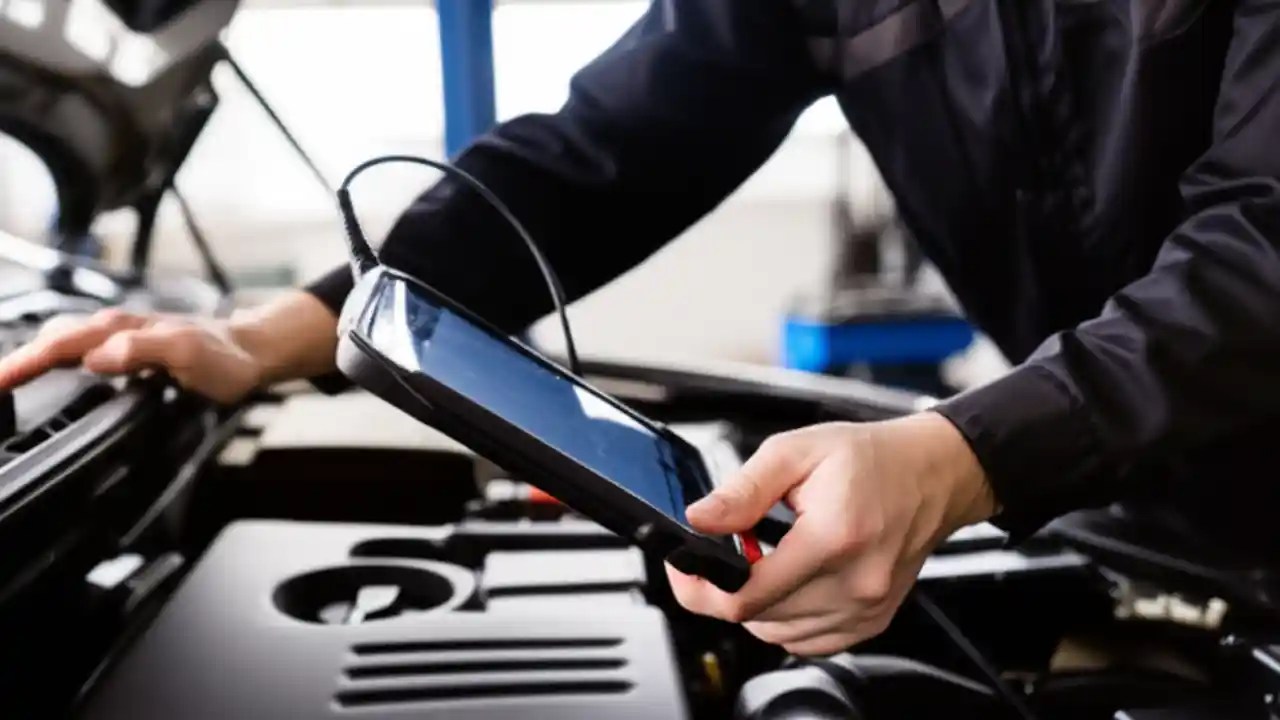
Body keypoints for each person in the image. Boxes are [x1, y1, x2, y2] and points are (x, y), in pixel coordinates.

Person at [2, 0, 1278, 657]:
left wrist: (960, 455)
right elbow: (597, 155)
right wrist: (278, 333)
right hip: (1127, 506)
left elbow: (1262, 240)